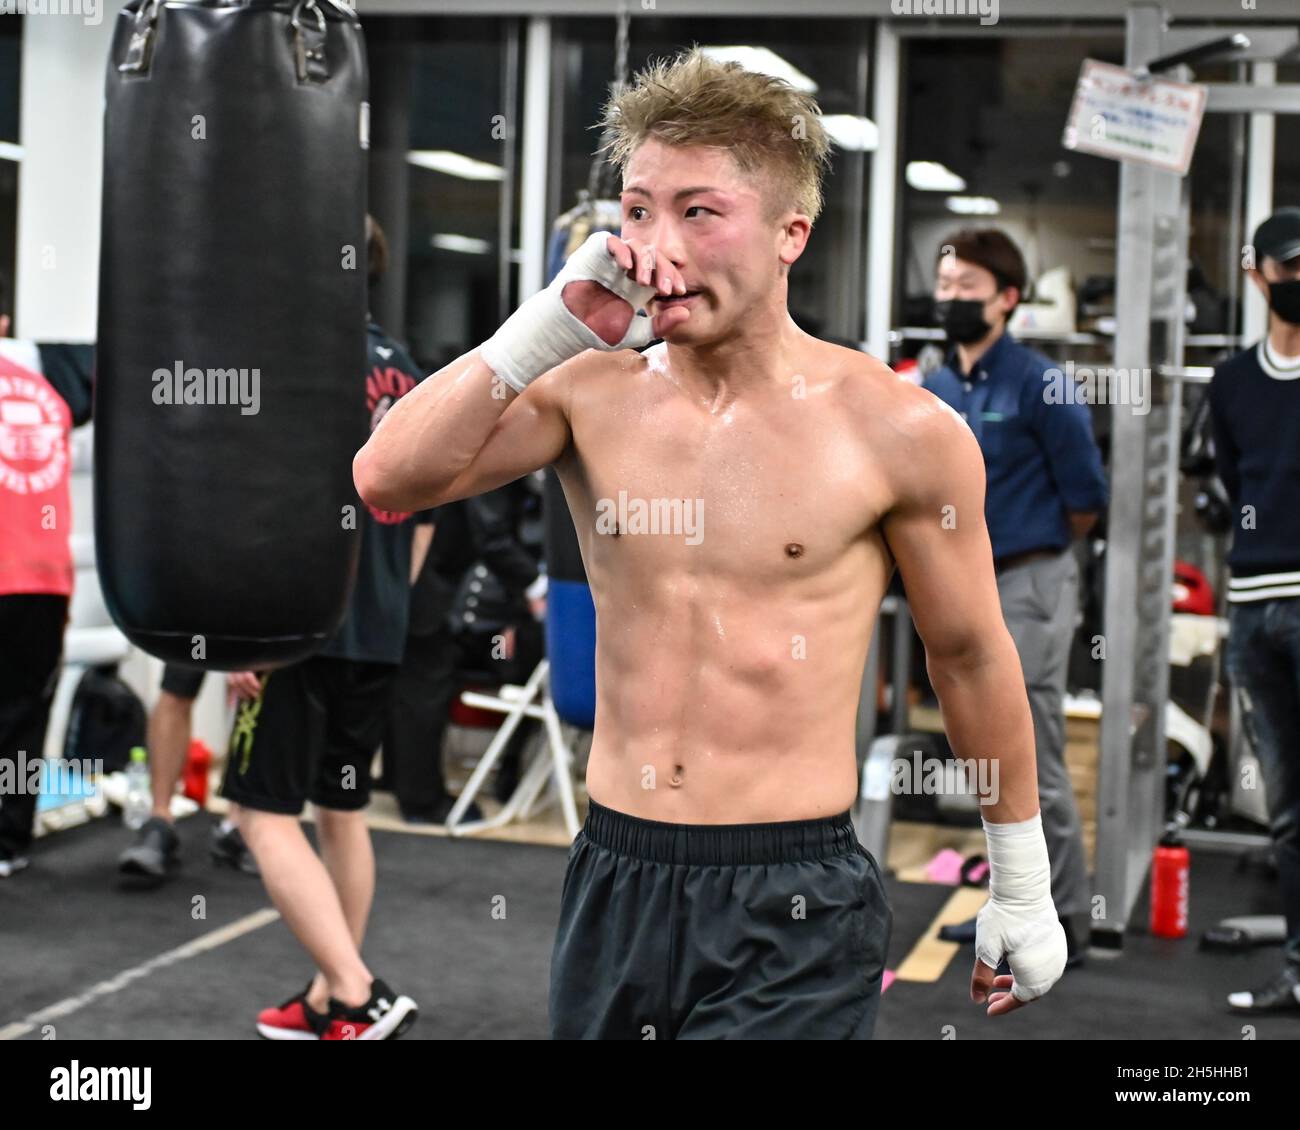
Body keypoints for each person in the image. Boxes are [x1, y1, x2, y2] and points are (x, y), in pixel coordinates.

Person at [355, 49, 1068, 1039]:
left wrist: (1022, 880)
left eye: (698, 211)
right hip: (615, 874)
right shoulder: (586, 393)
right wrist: (544, 328)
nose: (658, 245)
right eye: (638, 210)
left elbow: (968, 656)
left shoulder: (895, 427)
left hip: (794, 895)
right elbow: (388, 477)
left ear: (790, 233)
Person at [219, 215, 431, 1040]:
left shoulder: (297, 365)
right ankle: (324, 996)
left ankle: (351, 991)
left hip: (298, 628)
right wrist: (382, 601)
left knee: (259, 810)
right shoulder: (406, 372)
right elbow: (425, 514)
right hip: (375, 628)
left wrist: (248, 634)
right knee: (342, 810)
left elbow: (269, 509)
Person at [922, 229, 1108, 966]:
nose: (951, 297)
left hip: (1030, 580)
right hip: (960, 586)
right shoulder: (936, 384)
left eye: (968, 285)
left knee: (1032, 753)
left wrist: (1031, 550)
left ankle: (1066, 916)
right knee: (983, 755)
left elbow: (1087, 496)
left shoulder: (1041, 380)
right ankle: (1012, 902)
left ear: (1006, 298)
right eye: (945, 283)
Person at [1210, 206, 1300, 1014]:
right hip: (1253, 608)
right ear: (1257, 274)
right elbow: (1239, 488)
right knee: (1288, 811)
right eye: (1286, 268)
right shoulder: (1232, 383)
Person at [0, 273, 92, 878]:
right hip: (42, 582)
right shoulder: (51, 391)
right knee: (23, 717)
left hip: (28, 576)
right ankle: (9, 840)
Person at [386, 481, 546, 824]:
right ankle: (421, 799)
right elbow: (490, 534)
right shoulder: (494, 457)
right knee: (426, 689)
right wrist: (535, 584)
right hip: (437, 583)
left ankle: (398, 780)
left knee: (414, 685)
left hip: (426, 576)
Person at [117, 664, 257, 882]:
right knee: (177, 687)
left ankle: (237, 824)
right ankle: (159, 821)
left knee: (251, 687)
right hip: (198, 630)